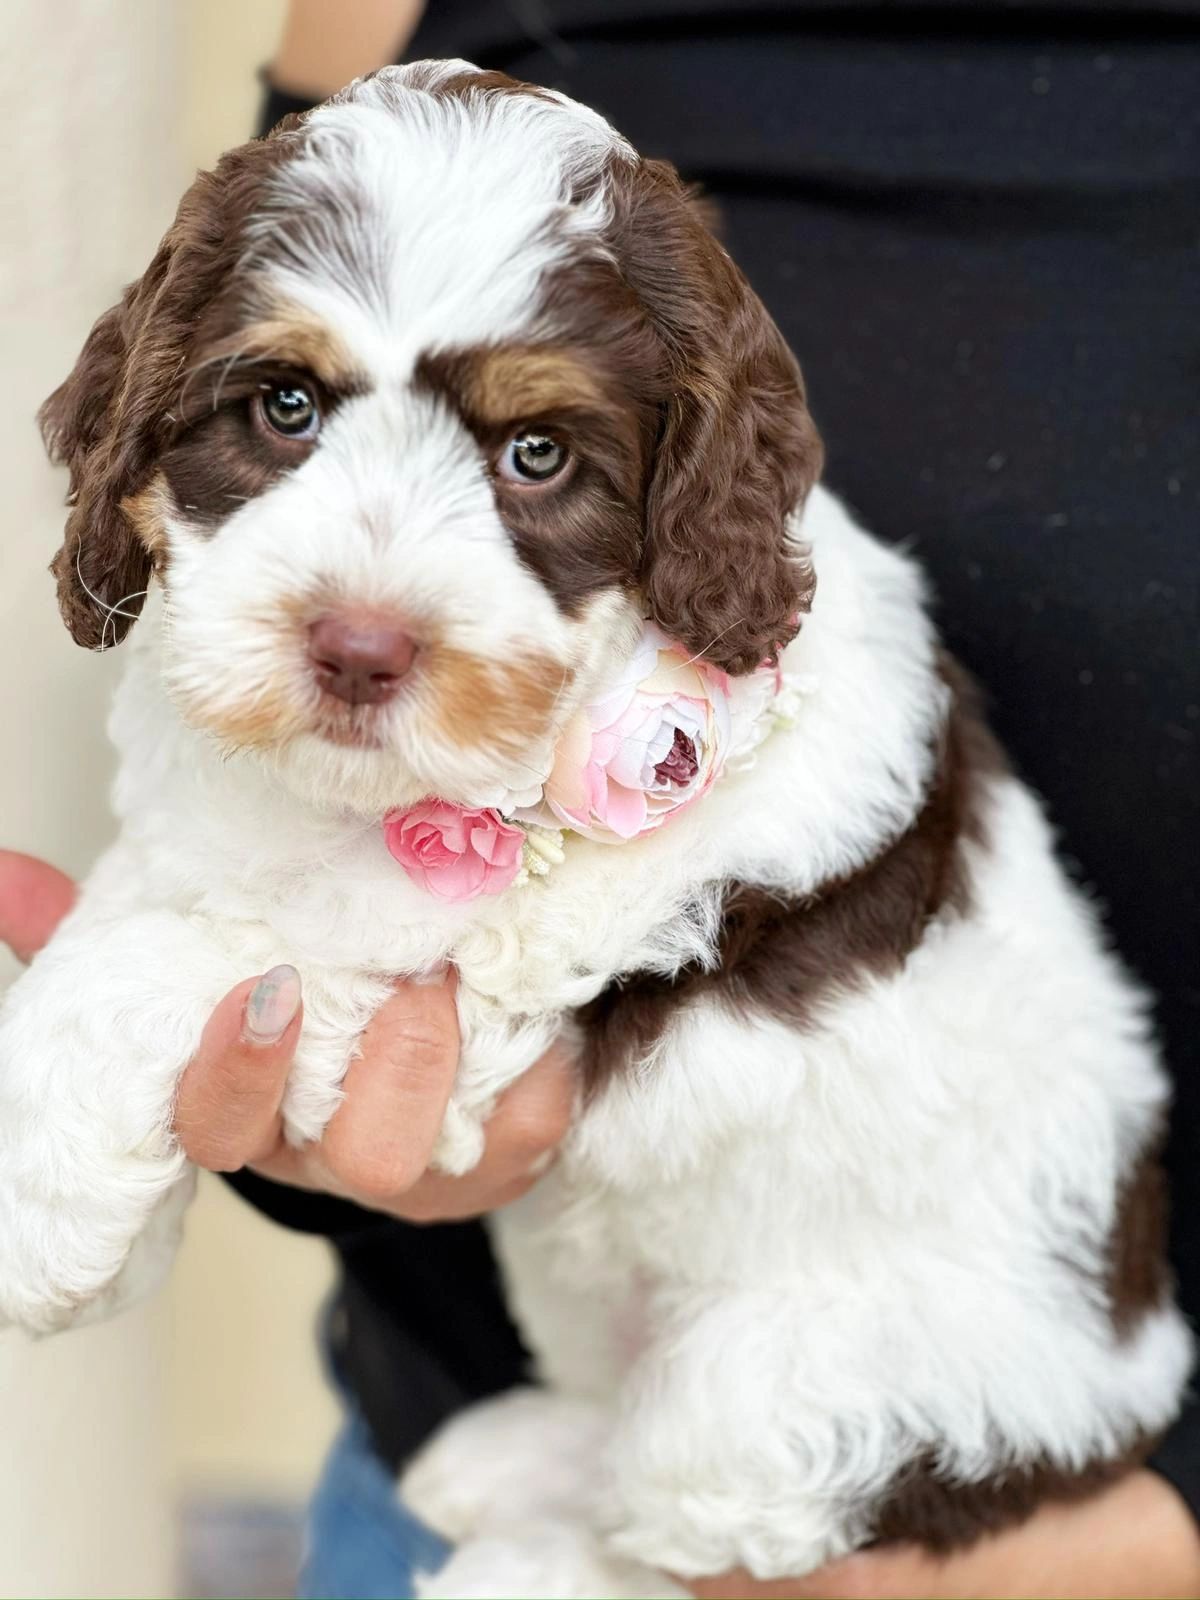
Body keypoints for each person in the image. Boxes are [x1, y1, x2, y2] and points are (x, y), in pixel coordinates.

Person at [6, 0, 1197, 1593]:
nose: (365, 611)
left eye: (538, 457)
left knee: (723, 1459)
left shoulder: (756, 716)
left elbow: (464, 975)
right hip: (494, 1396)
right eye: (288, 404)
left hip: (959, 1416)